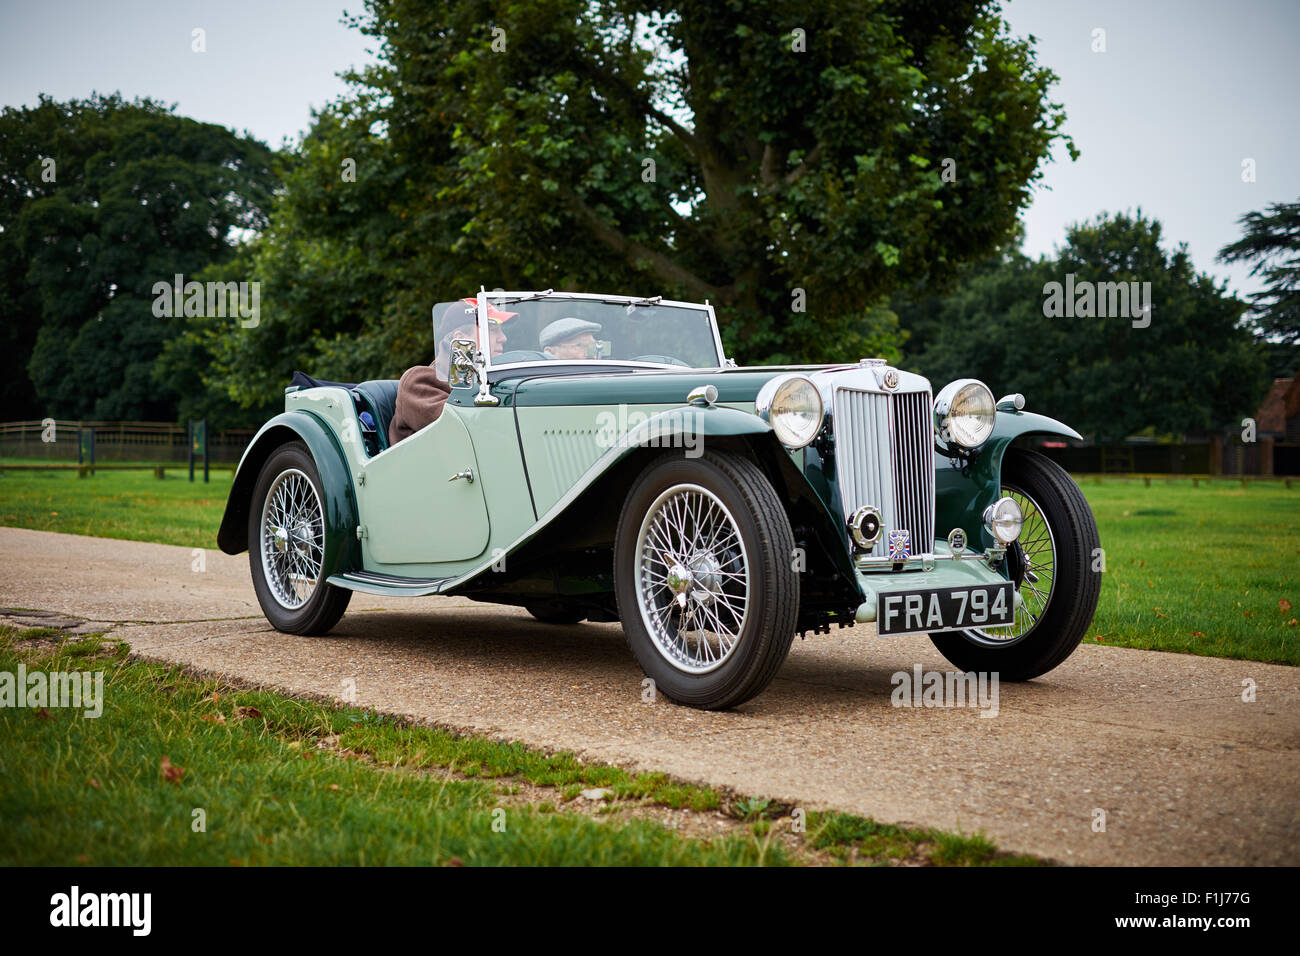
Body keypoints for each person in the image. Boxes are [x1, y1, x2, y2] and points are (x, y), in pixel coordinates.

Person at [388, 297, 516, 446]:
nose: (503, 338)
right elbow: (464, 430)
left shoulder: (494, 381)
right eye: (492, 331)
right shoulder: (418, 381)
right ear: (461, 340)